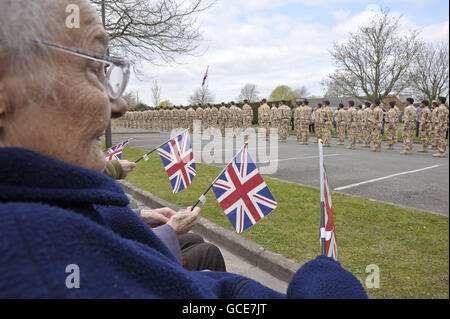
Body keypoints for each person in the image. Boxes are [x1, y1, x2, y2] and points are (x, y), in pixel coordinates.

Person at [0, 0, 368, 299]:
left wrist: (142, 218)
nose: (119, 103)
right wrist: (328, 282)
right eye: (93, 68)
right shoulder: (33, 249)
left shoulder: (49, 199)